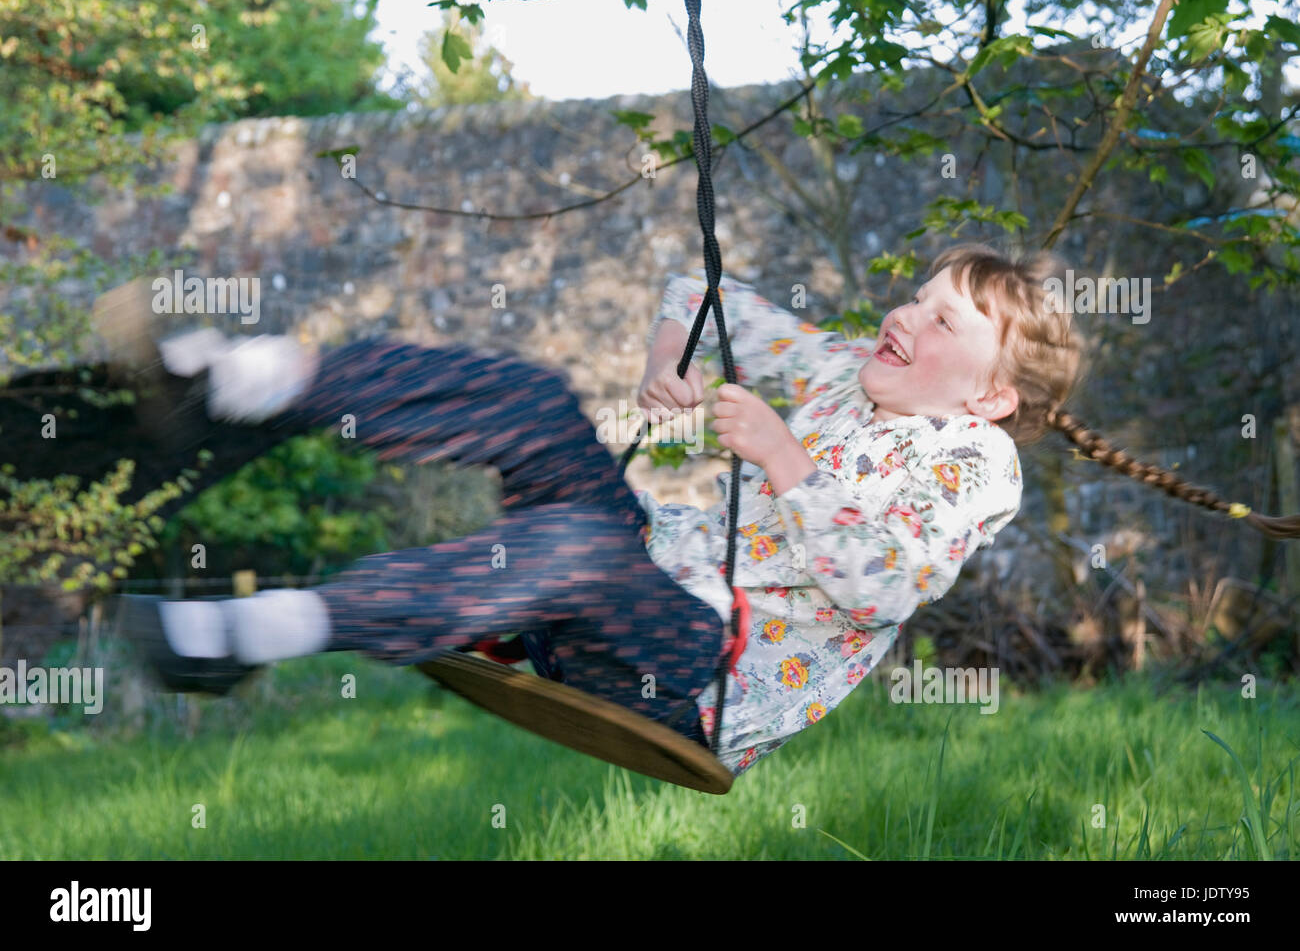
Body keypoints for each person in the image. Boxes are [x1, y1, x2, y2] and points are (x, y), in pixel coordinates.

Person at [121, 242, 1081, 780]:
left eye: (942, 319)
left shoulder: (976, 461)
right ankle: (238, 386)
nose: (905, 316)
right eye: (915, 297)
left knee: (579, 547)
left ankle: (241, 634)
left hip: (698, 675)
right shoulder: (838, 373)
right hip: (638, 574)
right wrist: (668, 358)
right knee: (533, 398)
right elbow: (700, 289)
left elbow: (883, 586)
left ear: (994, 394)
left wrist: (785, 459)